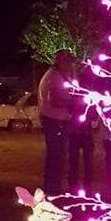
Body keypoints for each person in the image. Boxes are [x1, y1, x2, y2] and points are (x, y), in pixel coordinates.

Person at [37, 49, 76, 195]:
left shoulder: (56, 76)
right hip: (55, 122)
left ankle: (52, 188)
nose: (69, 65)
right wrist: (74, 104)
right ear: (59, 61)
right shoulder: (54, 77)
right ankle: (52, 189)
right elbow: (55, 100)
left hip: (54, 121)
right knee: (56, 156)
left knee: (56, 156)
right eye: (67, 61)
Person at [68, 60, 97, 194]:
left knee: (76, 159)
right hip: (80, 128)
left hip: (77, 127)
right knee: (85, 159)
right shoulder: (88, 89)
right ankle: (85, 185)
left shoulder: (76, 88)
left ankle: (75, 184)